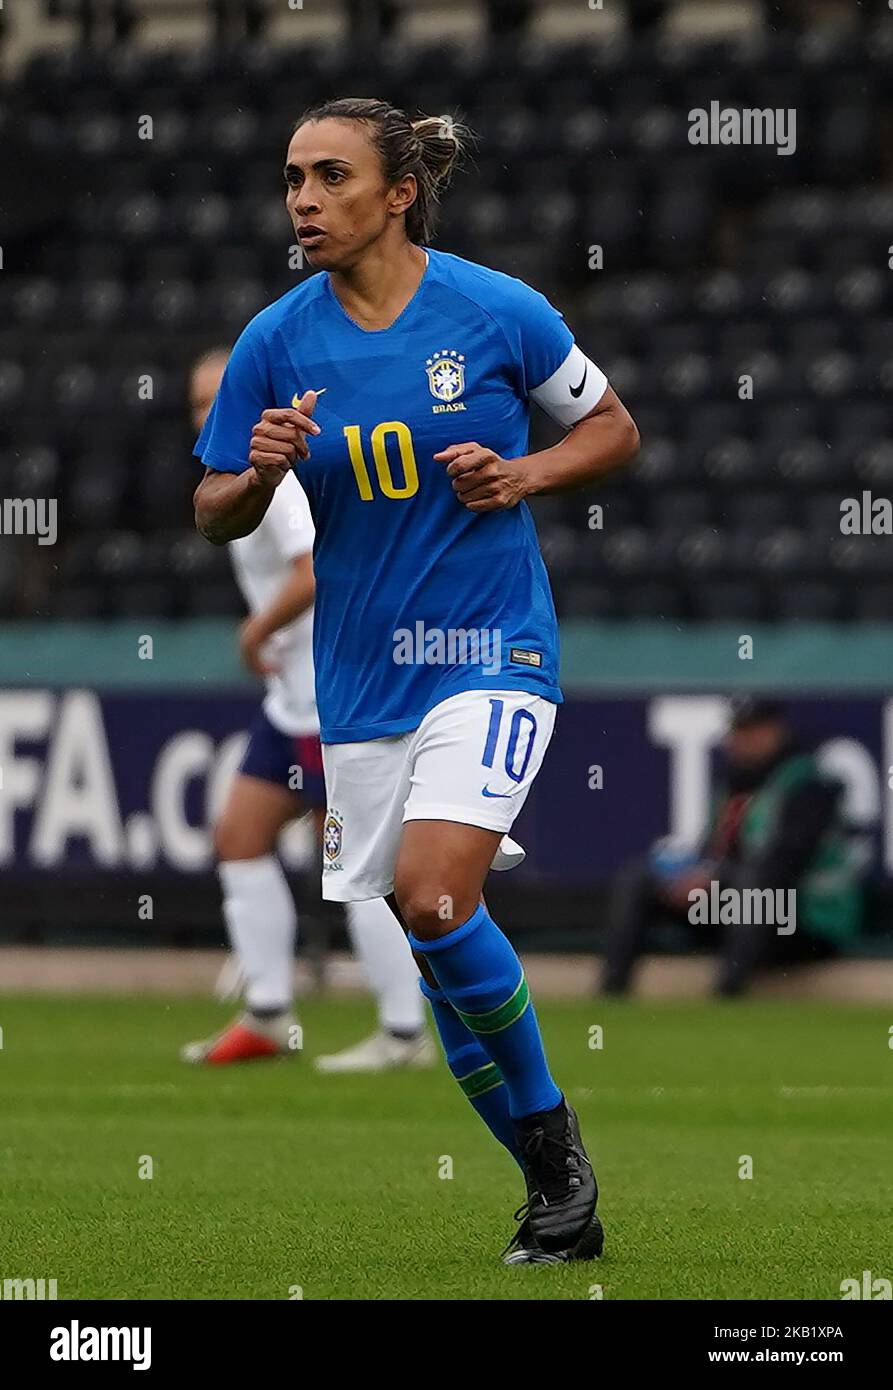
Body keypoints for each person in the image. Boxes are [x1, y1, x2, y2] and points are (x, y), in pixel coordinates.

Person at [192, 99, 639, 1263]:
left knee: (439, 897)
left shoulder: (497, 309)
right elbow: (208, 510)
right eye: (290, 177)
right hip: (362, 682)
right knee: (431, 942)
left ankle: (550, 1139)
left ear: (398, 192)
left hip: (493, 650)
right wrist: (254, 475)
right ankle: (560, 1205)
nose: (300, 199)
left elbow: (615, 432)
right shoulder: (274, 341)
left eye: (327, 175)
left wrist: (525, 470)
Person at [183, 347, 436, 1072]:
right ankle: (267, 1012)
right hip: (291, 699)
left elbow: (312, 570)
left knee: (361, 866)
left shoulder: (276, 479)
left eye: (216, 401)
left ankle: (402, 1031)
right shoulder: (233, 473)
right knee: (238, 836)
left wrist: (257, 629)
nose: (206, 418)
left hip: (330, 697)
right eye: (196, 406)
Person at [600, 698, 865, 998]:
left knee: (751, 883)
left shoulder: (810, 784)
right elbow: (714, 851)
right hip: (733, 911)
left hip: (801, 920)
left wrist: (714, 880)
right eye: (737, 731)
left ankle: (729, 990)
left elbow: (783, 865)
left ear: (774, 731)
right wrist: (692, 877)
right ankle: (613, 987)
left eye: (751, 731)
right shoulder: (734, 783)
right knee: (639, 877)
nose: (741, 741)